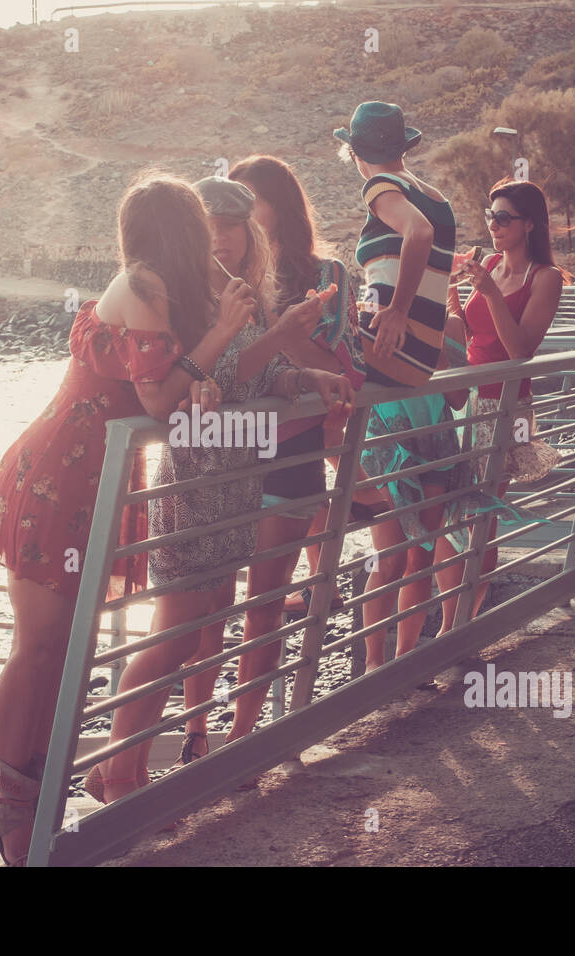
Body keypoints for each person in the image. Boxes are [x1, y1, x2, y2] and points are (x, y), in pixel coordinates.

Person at [0, 172, 255, 865]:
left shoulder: (152, 290)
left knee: (62, 650)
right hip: (55, 476)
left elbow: (170, 388)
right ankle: (9, 807)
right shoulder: (139, 285)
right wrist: (223, 330)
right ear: (182, 231)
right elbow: (159, 399)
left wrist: (211, 372)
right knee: (40, 648)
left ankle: (32, 806)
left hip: (85, 480)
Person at [91, 177, 354, 802]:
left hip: (235, 481)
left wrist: (301, 370)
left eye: (225, 225)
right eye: (200, 224)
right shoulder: (168, 292)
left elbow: (240, 374)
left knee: (194, 627)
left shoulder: (219, 292)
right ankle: (120, 776)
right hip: (194, 478)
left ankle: (116, 772)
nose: (213, 237)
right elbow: (184, 385)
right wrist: (259, 332)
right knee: (175, 635)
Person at [222, 154, 367, 745]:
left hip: (292, 449)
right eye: (227, 203)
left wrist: (288, 335)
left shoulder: (323, 272)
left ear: (279, 206)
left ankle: (242, 737)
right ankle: (196, 737)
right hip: (222, 452)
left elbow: (344, 367)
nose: (236, 217)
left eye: (248, 201)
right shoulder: (218, 276)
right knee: (201, 607)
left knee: (264, 603)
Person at [334, 101, 475, 671]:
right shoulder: (433, 195)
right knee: (415, 551)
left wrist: (390, 309)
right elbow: (428, 236)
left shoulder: (381, 188)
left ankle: (372, 669)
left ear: (353, 151)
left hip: (392, 353)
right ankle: (404, 666)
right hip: (423, 369)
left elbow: (413, 236)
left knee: (313, 330)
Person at [439, 179, 564, 626]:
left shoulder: (544, 278)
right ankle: (452, 620)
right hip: (468, 397)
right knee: (455, 512)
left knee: (481, 517)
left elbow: (520, 353)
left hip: (505, 405)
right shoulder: (489, 262)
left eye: (504, 218)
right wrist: (453, 296)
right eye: (491, 216)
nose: (494, 225)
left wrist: (490, 292)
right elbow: (475, 336)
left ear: (530, 224)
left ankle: (460, 625)